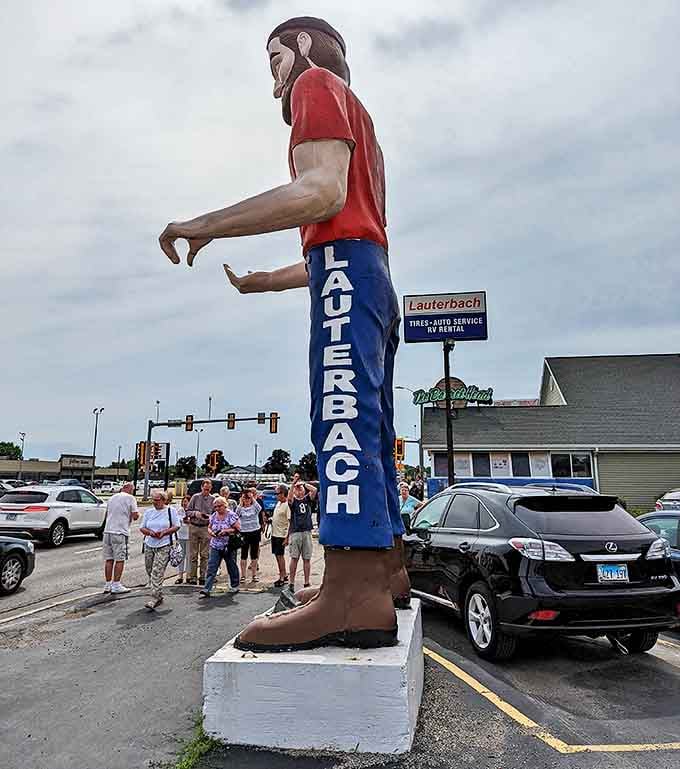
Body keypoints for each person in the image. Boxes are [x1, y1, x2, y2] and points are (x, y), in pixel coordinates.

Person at [160, 16, 409, 651]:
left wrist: (208, 222)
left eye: (274, 57)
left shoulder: (315, 86)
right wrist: (262, 282)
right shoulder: (360, 116)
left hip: (350, 280)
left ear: (301, 47)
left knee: (342, 420)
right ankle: (387, 575)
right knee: (373, 431)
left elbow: (319, 194)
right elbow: (340, 244)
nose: (272, 75)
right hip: (368, 276)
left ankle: (351, 597)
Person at [139, 489, 181, 610]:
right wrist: (150, 532)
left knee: (157, 571)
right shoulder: (149, 512)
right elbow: (142, 528)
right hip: (149, 544)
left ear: (164, 500)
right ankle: (158, 592)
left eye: (157, 500)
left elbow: (177, 526)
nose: (154, 502)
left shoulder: (170, 511)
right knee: (149, 569)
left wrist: (165, 532)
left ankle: (155, 597)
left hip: (164, 544)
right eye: (153, 500)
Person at [199, 497, 241, 598]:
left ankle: (235, 585)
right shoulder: (213, 516)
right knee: (212, 566)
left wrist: (226, 531)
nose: (217, 508)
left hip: (228, 545)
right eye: (215, 507)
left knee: (231, 565)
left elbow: (238, 528)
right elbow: (209, 527)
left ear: (225, 505)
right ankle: (207, 589)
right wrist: (211, 533)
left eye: (219, 506)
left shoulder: (231, 515)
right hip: (215, 545)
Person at [102, 481, 139, 594]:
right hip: (120, 531)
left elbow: (108, 513)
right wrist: (136, 516)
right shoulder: (130, 498)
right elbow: (135, 515)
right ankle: (116, 584)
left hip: (108, 531)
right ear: (130, 489)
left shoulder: (112, 498)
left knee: (109, 559)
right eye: (133, 489)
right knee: (120, 559)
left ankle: (108, 584)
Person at [288, 481, 317, 590]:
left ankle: (306, 581)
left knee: (307, 558)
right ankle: (291, 582)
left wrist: (303, 484)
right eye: (297, 489)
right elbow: (289, 498)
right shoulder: (293, 501)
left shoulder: (307, 500)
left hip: (307, 531)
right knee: (294, 558)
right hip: (296, 532)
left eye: (301, 489)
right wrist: (293, 485)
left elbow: (314, 490)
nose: (299, 490)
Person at [186, 479, 213, 585]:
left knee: (204, 554)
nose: (206, 490)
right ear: (201, 487)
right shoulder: (195, 497)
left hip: (206, 528)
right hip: (194, 527)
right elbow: (187, 511)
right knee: (193, 554)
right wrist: (195, 514)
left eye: (208, 489)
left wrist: (209, 517)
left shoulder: (213, 499)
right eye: (205, 488)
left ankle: (203, 576)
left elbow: (216, 515)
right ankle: (192, 577)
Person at [237, 487, 263, 584]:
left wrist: (252, 497)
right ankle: (243, 575)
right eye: (245, 498)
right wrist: (241, 501)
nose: (247, 500)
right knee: (243, 555)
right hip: (244, 532)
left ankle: (254, 575)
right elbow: (236, 514)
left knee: (254, 554)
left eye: (248, 498)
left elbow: (259, 508)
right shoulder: (240, 508)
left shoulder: (255, 507)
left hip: (254, 532)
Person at [270, 484, 291, 587]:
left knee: (280, 556)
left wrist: (287, 537)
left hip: (281, 535)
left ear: (283, 493)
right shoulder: (278, 503)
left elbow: (290, 522)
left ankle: (282, 576)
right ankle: (284, 573)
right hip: (275, 533)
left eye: (277, 493)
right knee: (277, 556)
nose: (276, 496)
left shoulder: (287, 505)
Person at [175, 494, 191, 584]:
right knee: (180, 556)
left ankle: (188, 575)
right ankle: (180, 575)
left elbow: (191, 521)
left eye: (186, 501)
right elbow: (178, 521)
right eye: (183, 501)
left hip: (189, 536)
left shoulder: (192, 511)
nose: (185, 503)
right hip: (180, 535)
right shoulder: (179, 510)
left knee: (189, 556)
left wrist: (188, 521)